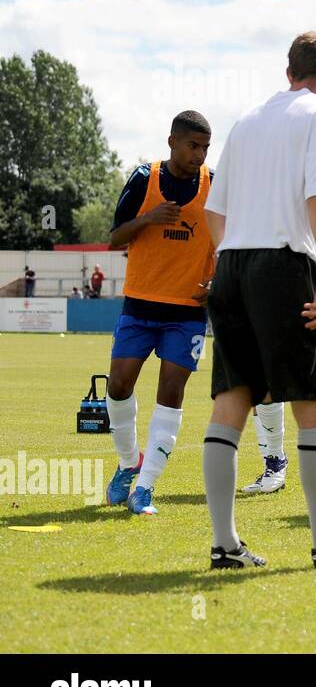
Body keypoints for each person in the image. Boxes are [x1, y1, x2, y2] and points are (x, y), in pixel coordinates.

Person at [202, 30, 316, 570]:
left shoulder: (246, 121)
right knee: (309, 399)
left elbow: (213, 211)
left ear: (288, 69)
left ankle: (224, 543)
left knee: (233, 396)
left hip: (231, 263)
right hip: (284, 265)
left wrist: (231, 259)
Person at [102, 111, 224, 517]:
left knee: (170, 393)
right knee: (118, 385)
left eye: (205, 147)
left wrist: (218, 280)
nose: (200, 154)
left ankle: (146, 487)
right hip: (139, 305)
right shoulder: (143, 179)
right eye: (193, 145)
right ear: (172, 141)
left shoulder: (214, 185)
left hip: (187, 311)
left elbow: (230, 240)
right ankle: (127, 463)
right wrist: (149, 218)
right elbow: (115, 238)